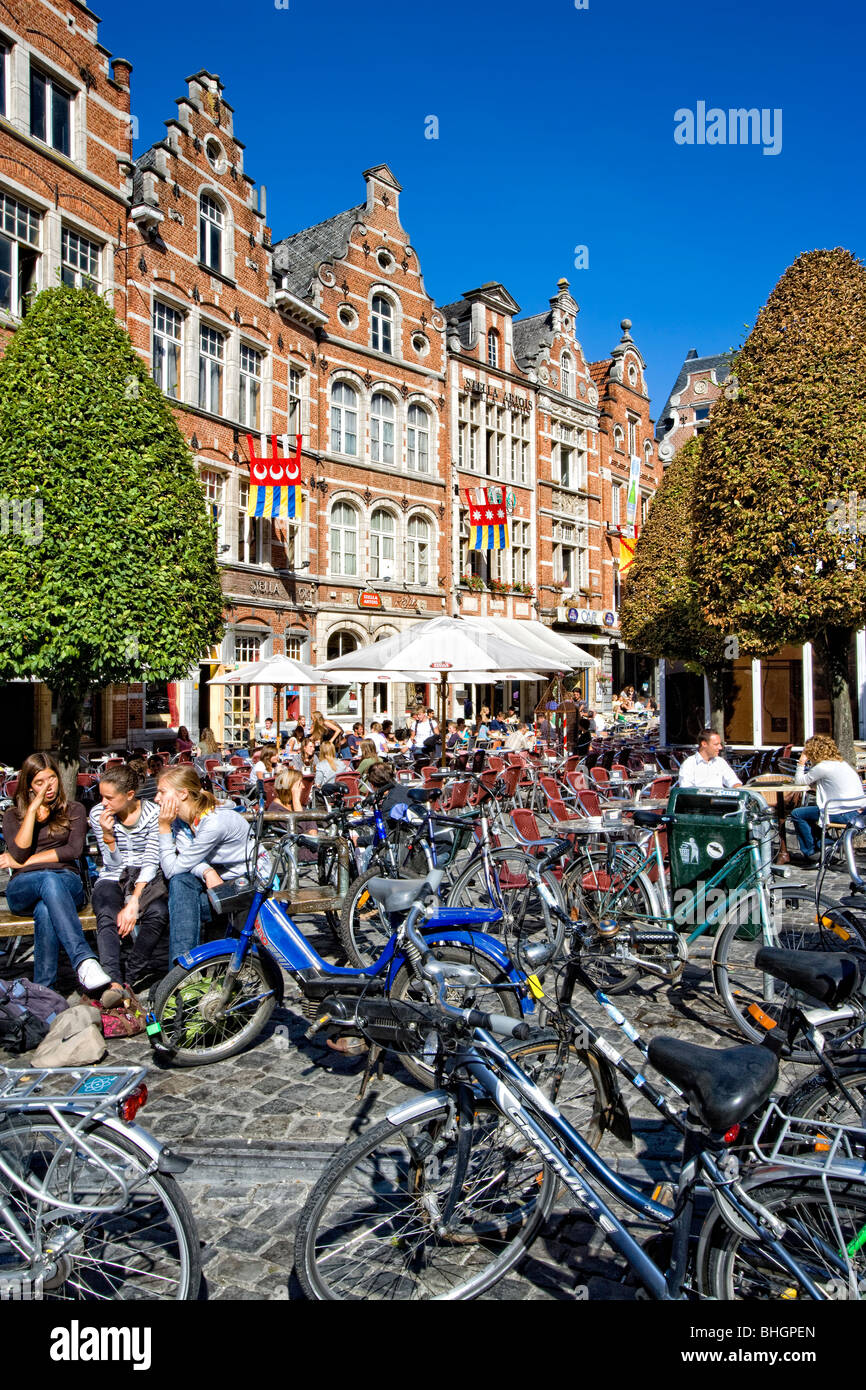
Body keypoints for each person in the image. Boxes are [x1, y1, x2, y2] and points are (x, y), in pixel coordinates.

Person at [0, 753, 111, 993]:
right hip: (24, 888)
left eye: (51, 779)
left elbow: (73, 850)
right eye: (39, 782)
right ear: (28, 784)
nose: (47, 787)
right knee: (46, 882)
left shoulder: (74, 809)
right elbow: (17, 853)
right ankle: (83, 960)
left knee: (46, 906)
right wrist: (31, 812)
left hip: (66, 882)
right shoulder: (12, 815)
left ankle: (44, 992)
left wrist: (24, 862)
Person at [156, 765, 255, 963]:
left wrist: (163, 827)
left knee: (182, 902)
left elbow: (173, 867)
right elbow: (181, 865)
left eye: (162, 792)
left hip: (246, 884)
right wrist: (207, 871)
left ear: (183, 794)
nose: (157, 798)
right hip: (216, 883)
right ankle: (184, 968)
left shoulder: (213, 823)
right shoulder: (181, 821)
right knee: (180, 882)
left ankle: (183, 969)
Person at [88, 765, 168, 991]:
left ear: (130, 795)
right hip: (114, 875)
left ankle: (131, 975)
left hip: (145, 878)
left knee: (158, 913)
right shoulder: (99, 815)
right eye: (101, 796)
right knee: (106, 911)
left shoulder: (153, 814)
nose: (104, 803)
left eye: (109, 798)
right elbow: (111, 863)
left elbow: (151, 861)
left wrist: (134, 901)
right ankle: (112, 979)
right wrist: (107, 835)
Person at [791, 735, 866, 862]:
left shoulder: (823, 767)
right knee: (811, 814)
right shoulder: (841, 764)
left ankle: (812, 852)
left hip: (842, 812)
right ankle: (825, 845)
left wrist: (801, 762)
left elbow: (799, 781)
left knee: (797, 814)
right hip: (857, 811)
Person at [677, 730, 743, 791]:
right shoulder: (689, 764)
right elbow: (686, 791)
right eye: (716, 744)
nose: (720, 747)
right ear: (704, 744)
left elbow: (734, 782)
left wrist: (738, 788)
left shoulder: (720, 762)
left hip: (720, 802)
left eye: (720, 744)